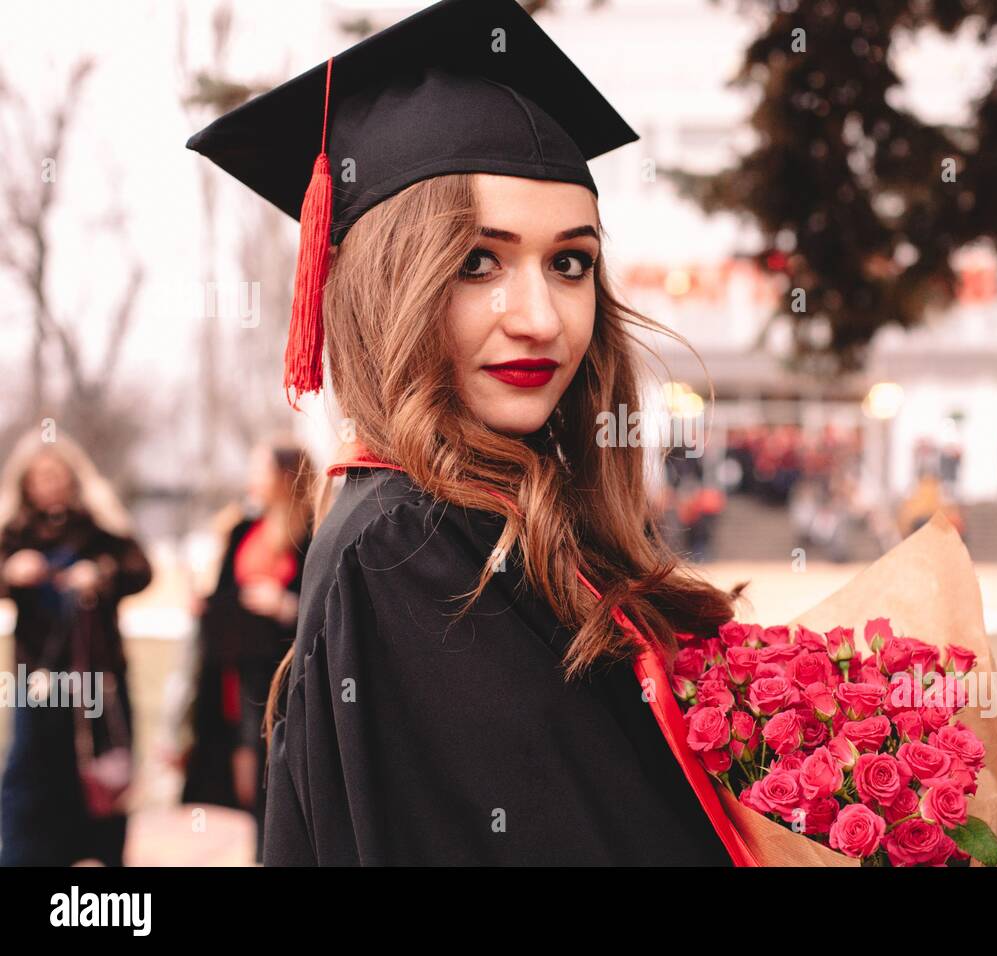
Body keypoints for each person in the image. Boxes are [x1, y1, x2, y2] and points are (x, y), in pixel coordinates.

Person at [187, 0, 753, 865]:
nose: (538, 318)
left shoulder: (493, 520)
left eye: (570, 262)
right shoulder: (410, 546)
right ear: (389, 286)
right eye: (475, 261)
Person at [0, 429, 152, 865]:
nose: (49, 484)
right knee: (32, 770)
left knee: (100, 769)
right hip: (40, 679)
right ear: (26, 484)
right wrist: (13, 572)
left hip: (98, 677)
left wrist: (100, 575)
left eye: (56, 474)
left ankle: (98, 858)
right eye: (39, 477)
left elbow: (140, 570)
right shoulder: (16, 532)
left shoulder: (98, 528)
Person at [180, 442, 313, 863]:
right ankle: (261, 848)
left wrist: (285, 604)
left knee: (280, 766)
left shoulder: (311, 531)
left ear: (287, 476)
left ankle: (278, 848)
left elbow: (317, 600)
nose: (253, 479)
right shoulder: (243, 528)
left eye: (262, 469)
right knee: (247, 763)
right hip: (239, 669)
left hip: (284, 669)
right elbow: (226, 590)